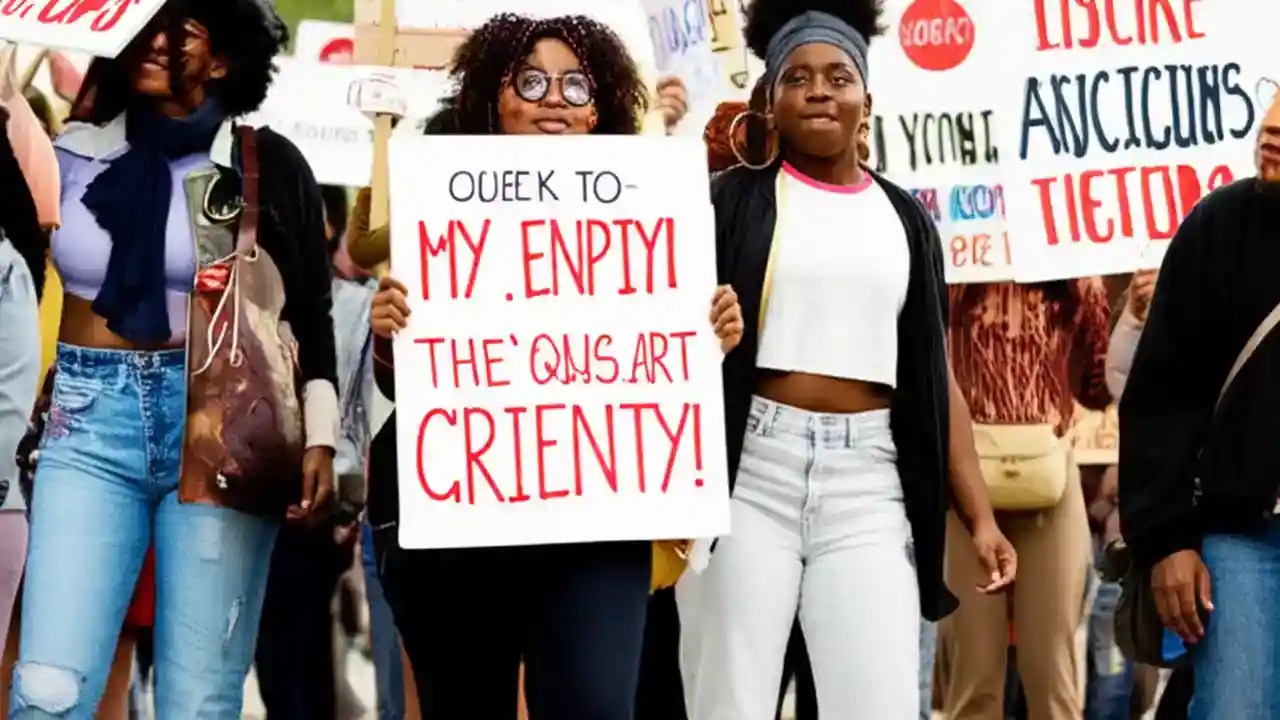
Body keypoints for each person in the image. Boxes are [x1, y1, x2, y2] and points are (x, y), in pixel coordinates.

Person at [365, 13, 735, 719]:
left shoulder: (651, 210)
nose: (554, 98)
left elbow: (662, 368)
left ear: (600, 107)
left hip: (598, 522)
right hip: (461, 526)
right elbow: (402, 380)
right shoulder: (440, 201)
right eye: (530, 81)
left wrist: (710, 331)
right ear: (493, 99)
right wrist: (391, 333)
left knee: (595, 705)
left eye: (575, 84)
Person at [675, 0, 1014, 716]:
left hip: (868, 488)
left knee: (879, 700)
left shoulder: (906, 219)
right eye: (797, 78)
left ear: (867, 99)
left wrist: (980, 517)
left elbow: (933, 374)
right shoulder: (728, 202)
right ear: (770, 99)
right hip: (746, 479)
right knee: (727, 698)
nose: (819, 90)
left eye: (838, 75)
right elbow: (669, 338)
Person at [11, 1, 339, 716]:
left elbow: (309, 312)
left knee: (198, 699)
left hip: (222, 434)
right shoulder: (73, 150)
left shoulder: (260, 162)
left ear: (224, 56)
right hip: (87, 429)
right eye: (143, 24)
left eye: (178, 27)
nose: (153, 42)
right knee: (47, 691)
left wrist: (319, 437)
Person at [1119, 93, 1280, 720]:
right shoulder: (1218, 226)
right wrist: (1166, 540)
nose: (1272, 125)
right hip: (1238, 540)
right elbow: (1161, 394)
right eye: (1273, 104)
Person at [941, 276, 1110, 720]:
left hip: (1050, 481)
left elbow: (1099, 388)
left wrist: (1133, 316)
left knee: (1052, 672)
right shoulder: (951, 257)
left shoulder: (1074, 269)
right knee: (973, 677)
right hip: (964, 483)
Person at [254, 185, 367, 719]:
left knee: (294, 641)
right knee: (291, 642)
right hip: (281, 488)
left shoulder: (357, 304)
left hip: (322, 496)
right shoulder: (257, 297)